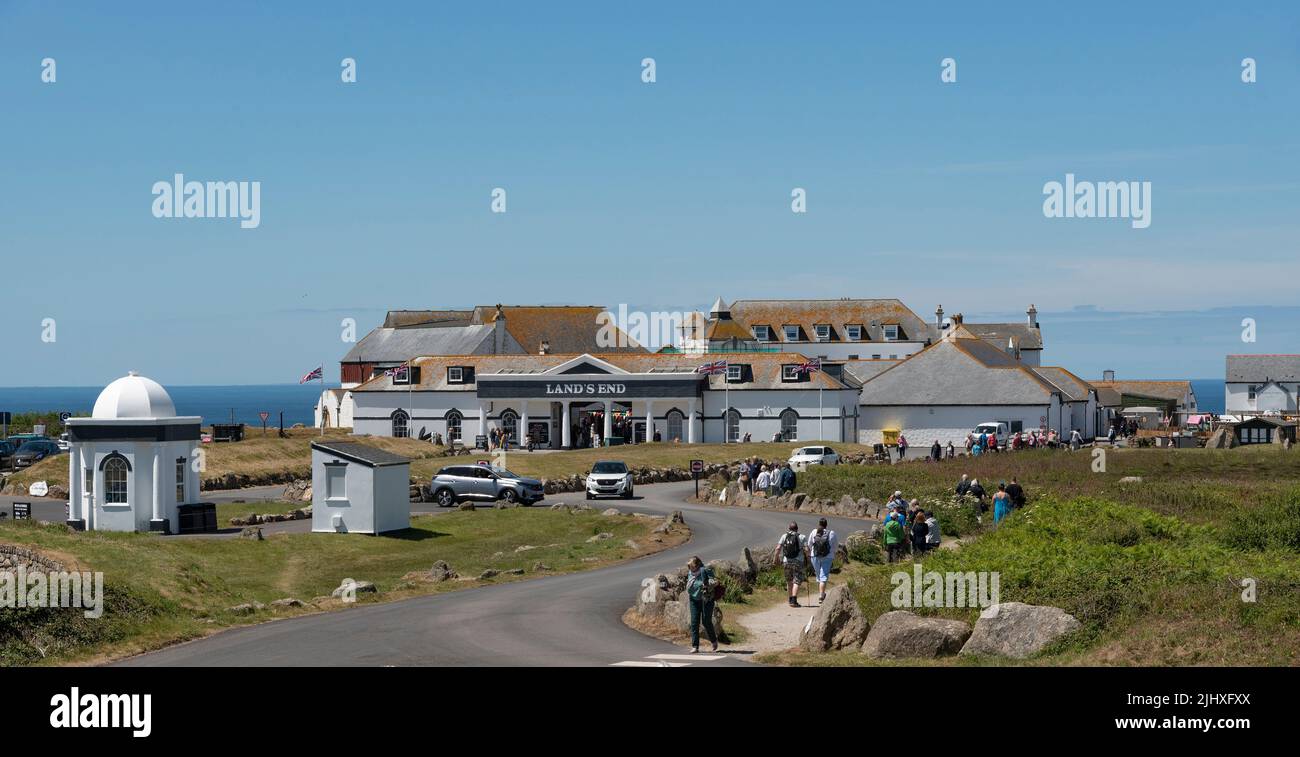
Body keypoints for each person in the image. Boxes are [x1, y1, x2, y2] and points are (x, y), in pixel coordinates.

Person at [684, 556, 719, 653]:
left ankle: (714, 641)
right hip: (693, 599)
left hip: (706, 600)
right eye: (689, 566)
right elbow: (690, 583)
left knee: (706, 621)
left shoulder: (705, 570)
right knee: (694, 623)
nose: (690, 568)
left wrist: (706, 584)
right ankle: (695, 646)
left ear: (698, 565)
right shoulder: (690, 573)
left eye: (692, 566)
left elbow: (715, 581)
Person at [775, 522, 809, 607]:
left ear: (789, 529)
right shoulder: (802, 537)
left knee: (789, 580)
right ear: (797, 529)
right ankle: (794, 600)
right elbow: (807, 549)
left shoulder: (784, 536)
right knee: (797, 580)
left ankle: (790, 600)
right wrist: (808, 557)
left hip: (786, 561)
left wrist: (776, 558)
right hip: (798, 561)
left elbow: (778, 548)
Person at [808, 518, 837, 603]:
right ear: (826, 525)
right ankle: (821, 595)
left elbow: (809, 544)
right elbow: (835, 546)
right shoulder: (831, 533)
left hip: (815, 556)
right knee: (823, 576)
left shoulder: (814, 531)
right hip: (828, 557)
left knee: (818, 575)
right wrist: (832, 553)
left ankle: (821, 593)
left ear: (819, 524)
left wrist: (812, 552)